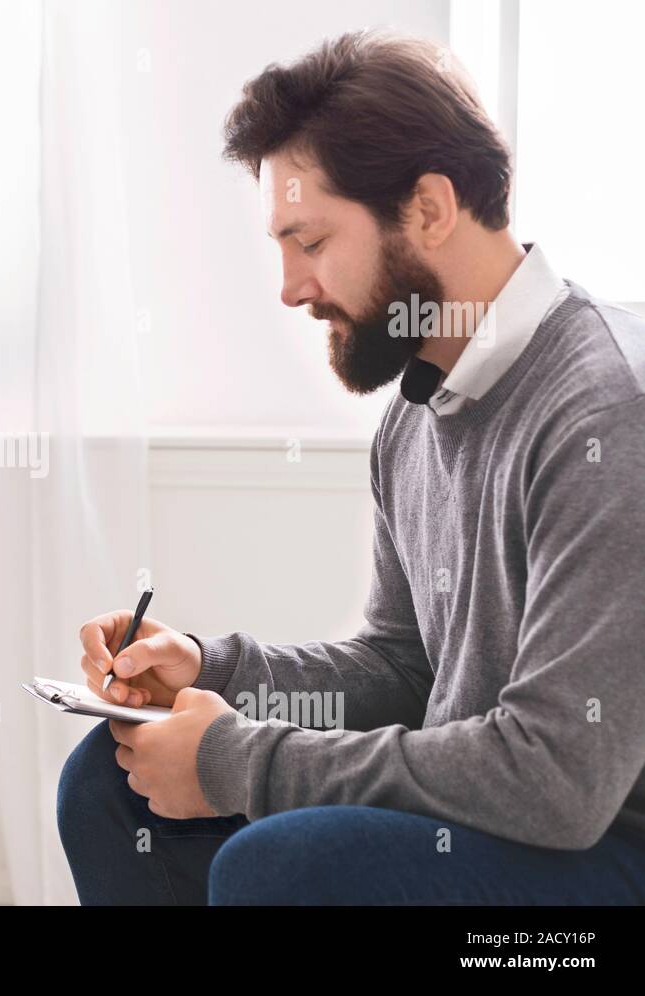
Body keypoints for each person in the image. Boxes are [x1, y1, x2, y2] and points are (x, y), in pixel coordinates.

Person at [57, 29, 645, 905]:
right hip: (506, 822)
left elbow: (559, 778)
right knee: (106, 783)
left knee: (284, 868)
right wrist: (214, 671)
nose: (290, 287)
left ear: (430, 210)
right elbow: (405, 673)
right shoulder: (416, 414)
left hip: (601, 851)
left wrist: (236, 758)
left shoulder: (603, 412)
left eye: (312, 240)